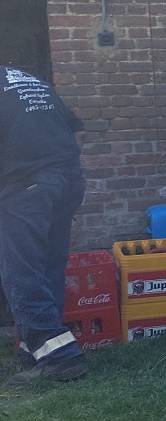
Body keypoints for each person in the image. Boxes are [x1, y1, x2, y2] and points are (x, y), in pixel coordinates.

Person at [0, 60, 88, 382]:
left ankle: (58, 356)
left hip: (28, 187)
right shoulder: (26, 80)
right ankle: (36, 347)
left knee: (19, 270)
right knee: (46, 265)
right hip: (67, 180)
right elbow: (72, 125)